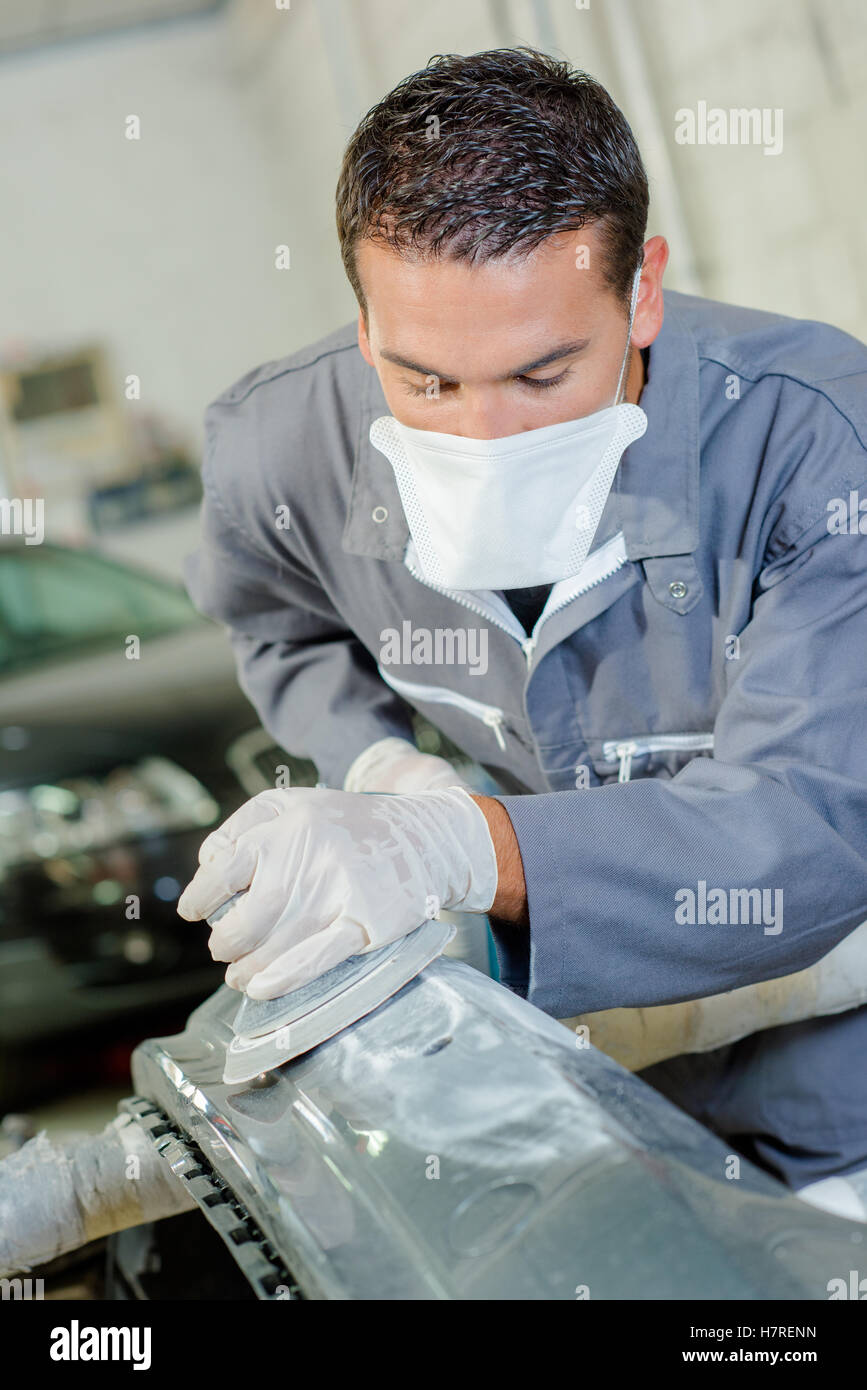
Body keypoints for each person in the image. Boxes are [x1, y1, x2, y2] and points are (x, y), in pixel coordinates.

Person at [178, 47, 867, 1215]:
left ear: (642, 292)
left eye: (543, 375)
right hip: (564, 1120)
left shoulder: (816, 442)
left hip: (830, 1102)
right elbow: (282, 633)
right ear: (364, 326)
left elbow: (809, 824)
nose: (485, 441)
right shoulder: (278, 448)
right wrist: (379, 765)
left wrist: (458, 845)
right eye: (428, 384)